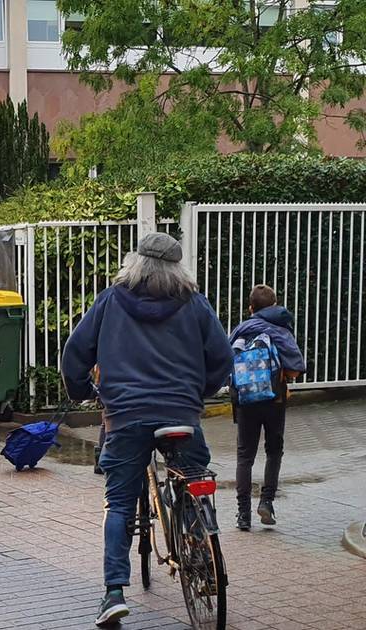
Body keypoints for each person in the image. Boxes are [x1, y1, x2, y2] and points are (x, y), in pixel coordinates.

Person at [60, 233, 233, 627]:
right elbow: (222, 356)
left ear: (134, 262)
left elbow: (75, 352)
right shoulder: (194, 302)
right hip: (182, 414)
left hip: (126, 415)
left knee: (119, 504)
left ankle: (114, 593)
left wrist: (84, 390)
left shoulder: (111, 299)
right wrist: (197, 393)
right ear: (177, 266)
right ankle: (200, 547)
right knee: (193, 480)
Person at [228, 284, 306, 531]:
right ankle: (267, 501)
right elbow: (296, 367)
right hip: (274, 401)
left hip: (245, 402)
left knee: (245, 456)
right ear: (274, 305)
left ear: (251, 308)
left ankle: (243, 515)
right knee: (274, 451)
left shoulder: (240, 330)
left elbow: (225, 362)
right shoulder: (280, 330)